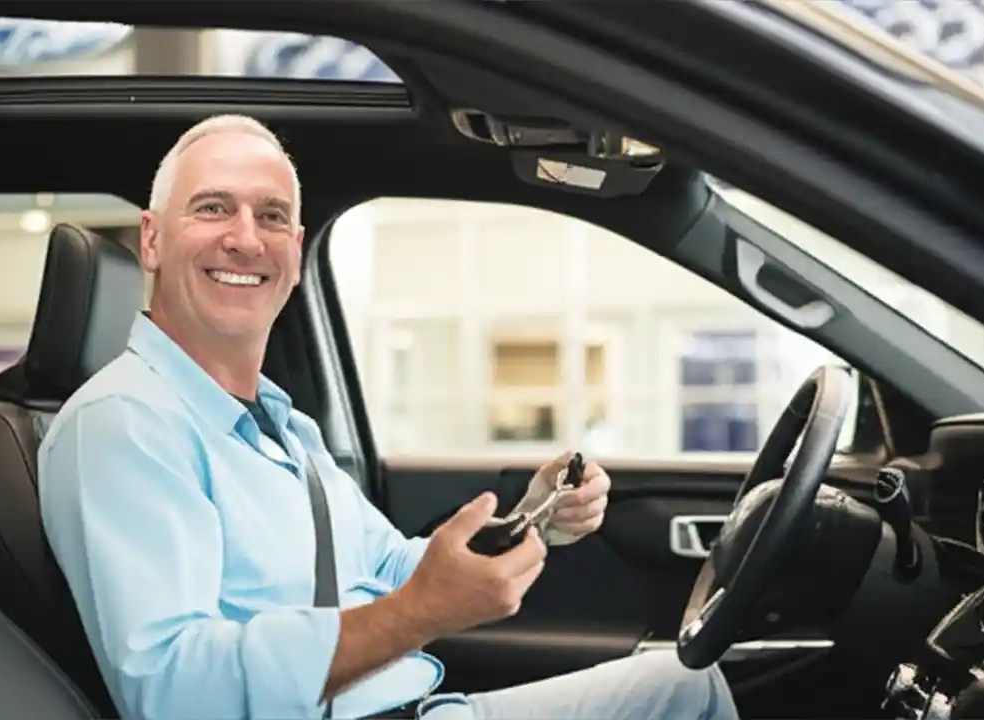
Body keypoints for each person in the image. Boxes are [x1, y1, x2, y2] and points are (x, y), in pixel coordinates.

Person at [37, 114, 738, 720]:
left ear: (295, 248)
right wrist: (419, 612)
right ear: (152, 240)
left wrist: (532, 520)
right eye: (213, 208)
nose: (247, 239)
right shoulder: (124, 424)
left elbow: (386, 566)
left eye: (272, 216)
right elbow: (176, 692)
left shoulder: (280, 426)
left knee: (686, 686)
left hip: (415, 706)